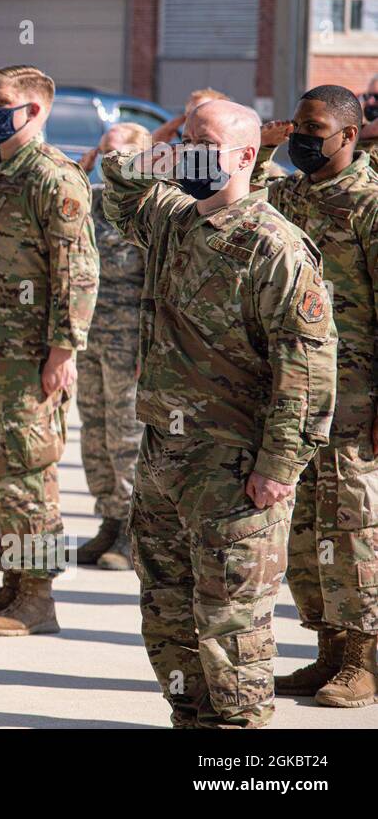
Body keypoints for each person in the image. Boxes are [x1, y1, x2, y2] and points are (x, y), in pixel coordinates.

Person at [102, 98, 337, 728]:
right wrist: (166, 150)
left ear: (244, 156)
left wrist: (280, 465)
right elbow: (117, 185)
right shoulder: (172, 219)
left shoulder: (276, 248)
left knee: (231, 624)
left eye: (204, 144)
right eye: (185, 143)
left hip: (233, 466)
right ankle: (194, 724)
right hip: (163, 456)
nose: (189, 155)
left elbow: (307, 371)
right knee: (167, 612)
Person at [0, 66, 99, 637]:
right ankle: (9, 584)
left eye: (0, 102)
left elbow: (77, 271)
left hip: (30, 356)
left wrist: (64, 349)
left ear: (34, 110)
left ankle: (37, 598)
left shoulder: (55, 178)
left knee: (28, 474)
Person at [256, 85, 377, 709]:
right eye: (297, 124)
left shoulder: (370, 203)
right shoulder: (290, 194)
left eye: (314, 127)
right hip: (294, 393)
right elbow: (237, 193)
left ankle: (364, 658)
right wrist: (264, 146)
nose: (302, 135)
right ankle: (328, 648)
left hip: (356, 394)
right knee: (304, 526)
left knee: (353, 523)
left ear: (350, 135)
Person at [75, 122, 152, 570]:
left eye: (119, 154)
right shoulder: (94, 202)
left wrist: (149, 349)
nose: (109, 161)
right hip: (91, 337)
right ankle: (109, 518)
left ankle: (134, 532)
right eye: (104, 151)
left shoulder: (150, 208)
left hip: (130, 342)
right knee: (95, 431)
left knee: (127, 436)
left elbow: (159, 284)